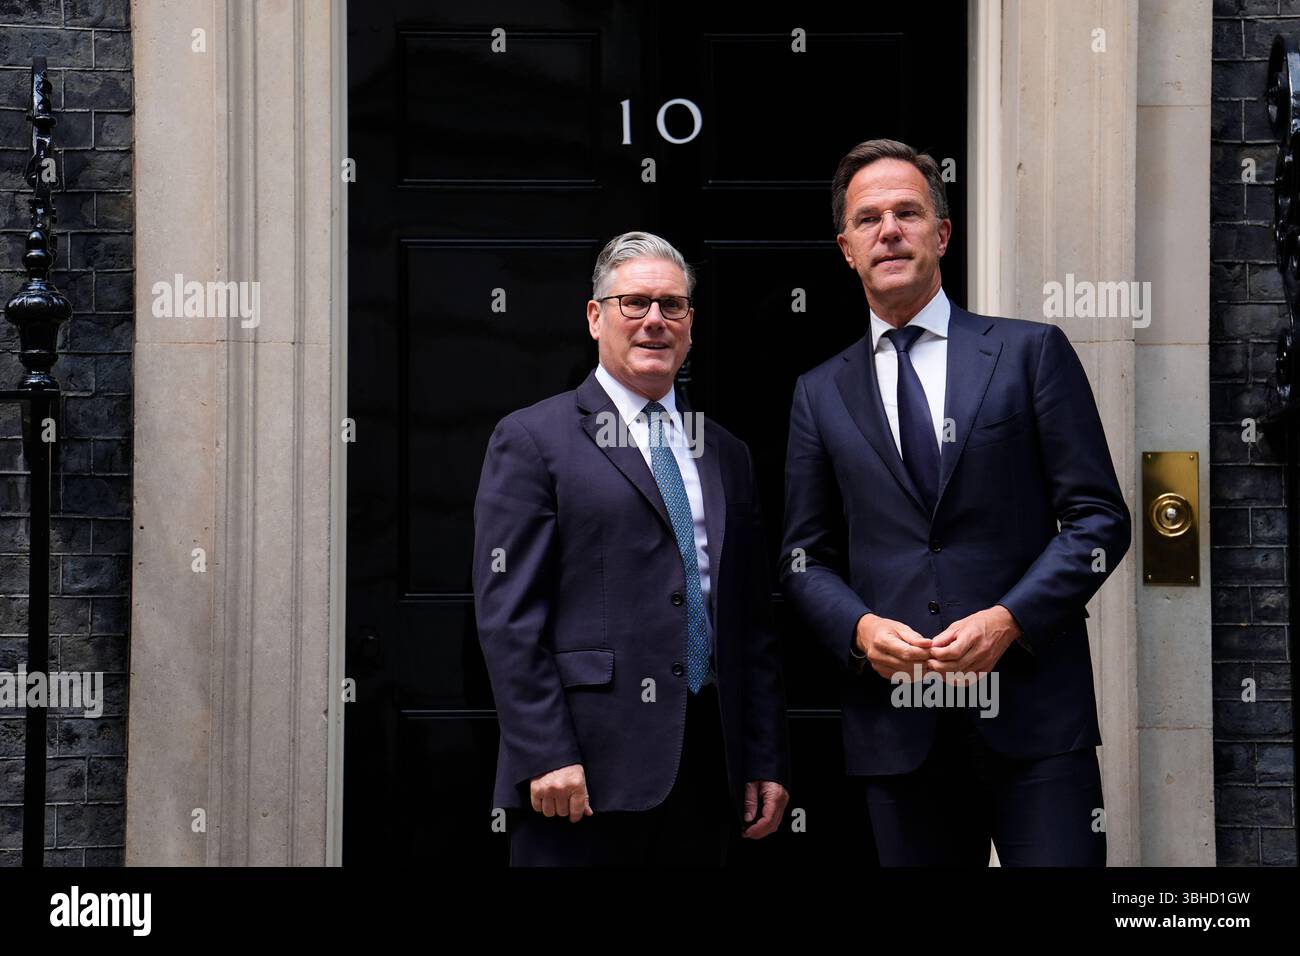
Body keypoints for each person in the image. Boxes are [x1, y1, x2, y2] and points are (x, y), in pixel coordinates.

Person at [779, 139, 1131, 866]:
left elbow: (1099, 518)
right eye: (869, 219)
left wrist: (1010, 619)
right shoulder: (818, 392)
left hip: (1034, 716)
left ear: (942, 233)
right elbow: (802, 556)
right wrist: (860, 630)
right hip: (896, 731)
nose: (890, 231)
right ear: (846, 248)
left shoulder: (1031, 353)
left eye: (907, 213)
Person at [473, 231, 790, 866]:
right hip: (581, 773)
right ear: (595, 317)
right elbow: (509, 616)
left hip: (709, 767)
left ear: (691, 325)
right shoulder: (534, 438)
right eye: (634, 303)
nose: (655, 321)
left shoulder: (725, 452)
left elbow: (751, 621)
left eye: (672, 306)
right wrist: (545, 751)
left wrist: (763, 755)